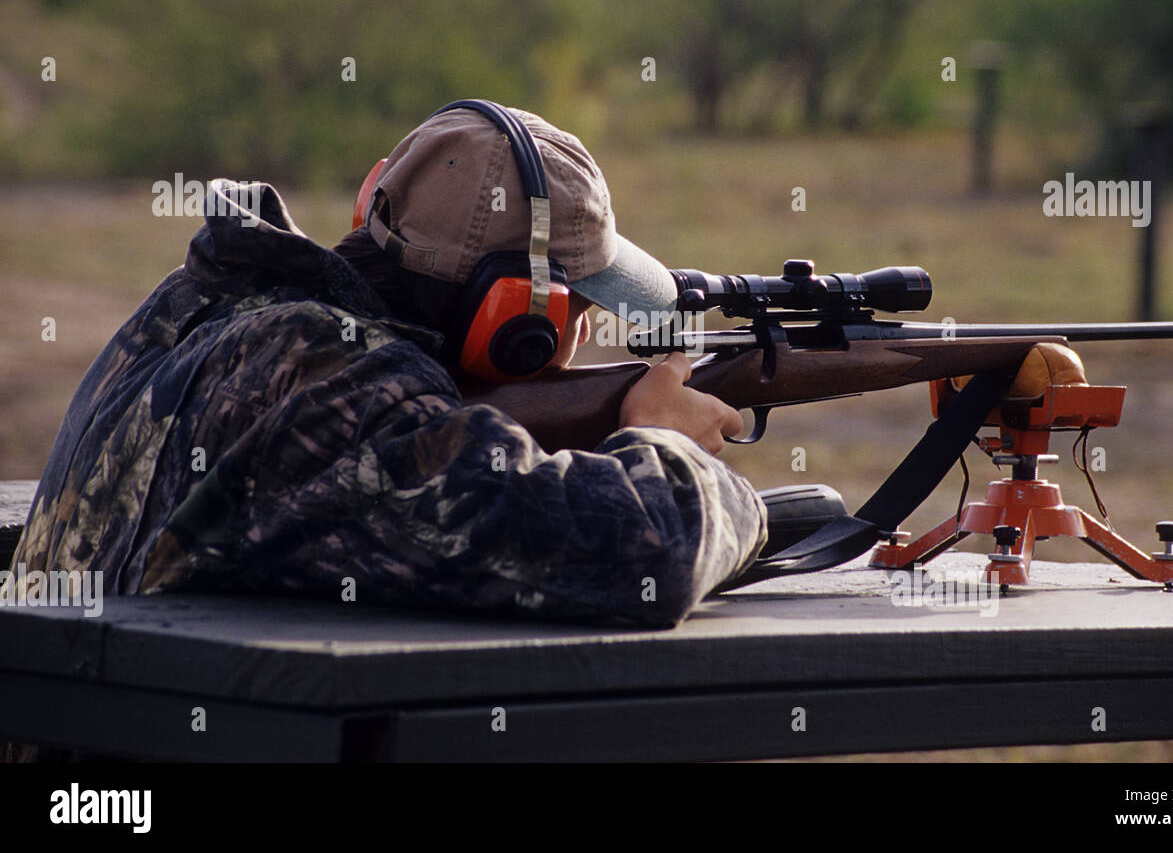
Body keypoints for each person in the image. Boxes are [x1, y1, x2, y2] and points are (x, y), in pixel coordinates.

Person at [11, 102, 768, 631]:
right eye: (583, 306)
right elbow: (650, 555)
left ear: (374, 197)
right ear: (516, 323)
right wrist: (663, 441)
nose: (589, 327)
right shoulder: (344, 390)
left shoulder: (206, 301)